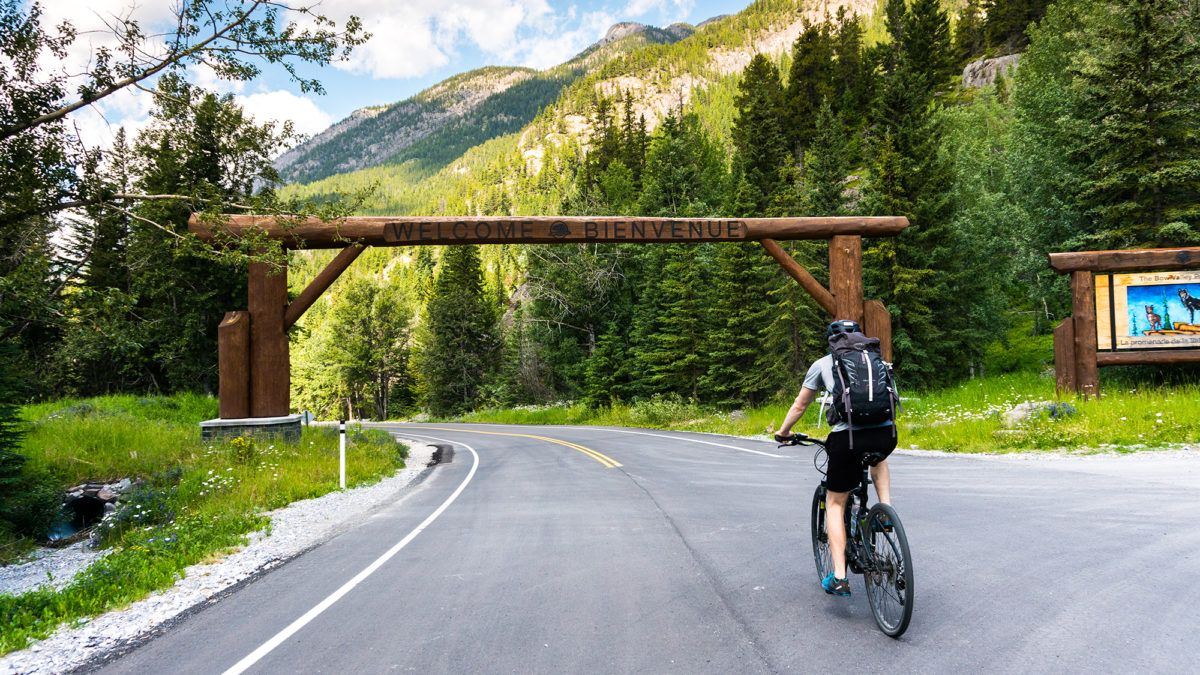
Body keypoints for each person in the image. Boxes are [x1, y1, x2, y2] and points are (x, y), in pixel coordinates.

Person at [774, 319, 897, 597]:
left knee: (834, 501)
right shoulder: (875, 359)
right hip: (886, 433)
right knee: (878, 458)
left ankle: (840, 576)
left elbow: (800, 404)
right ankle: (886, 510)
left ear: (831, 341)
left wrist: (784, 432)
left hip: (848, 439)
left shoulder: (824, 363)